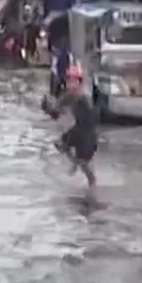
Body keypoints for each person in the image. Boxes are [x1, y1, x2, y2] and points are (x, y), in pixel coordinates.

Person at [51, 64, 98, 193]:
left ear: (80, 82)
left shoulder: (84, 98)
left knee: (84, 161)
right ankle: (74, 163)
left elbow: (92, 119)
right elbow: (56, 109)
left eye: (73, 81)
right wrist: (52, 109)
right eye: (68, 80)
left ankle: (92, 181)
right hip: (77, 129)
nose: (70, 83)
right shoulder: (69, 95)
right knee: (60, 144)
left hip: (88, 132)